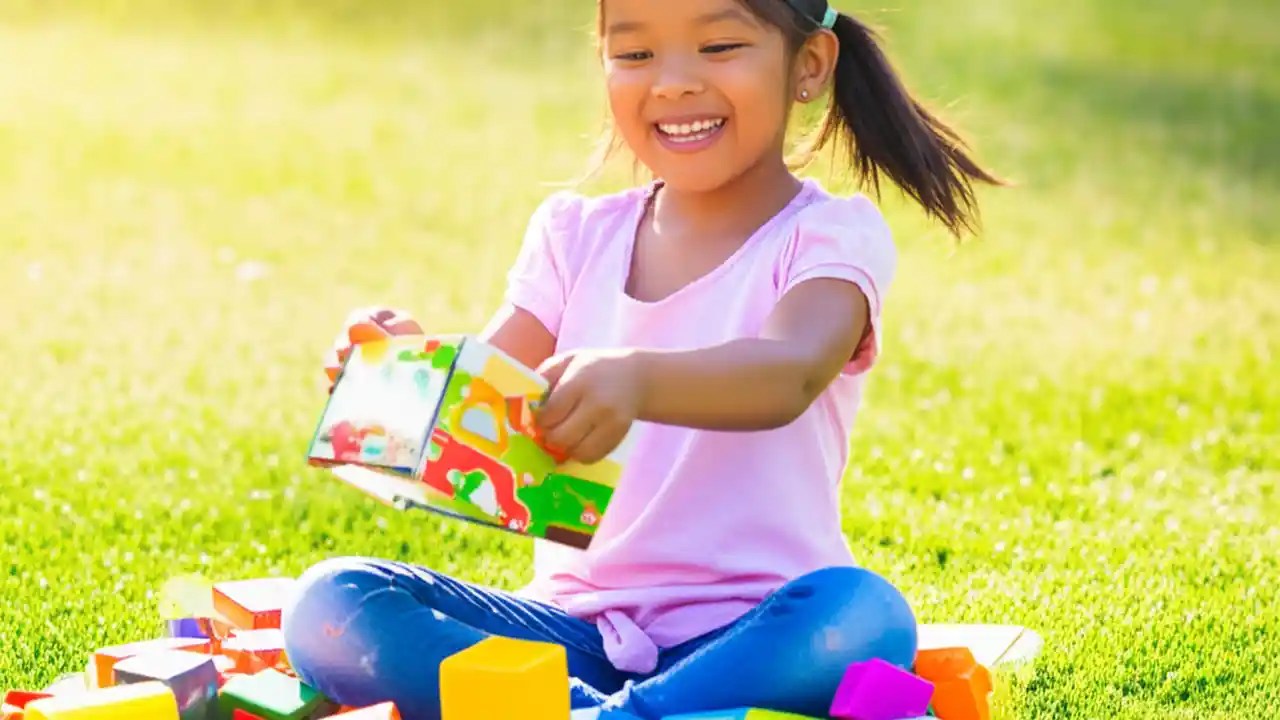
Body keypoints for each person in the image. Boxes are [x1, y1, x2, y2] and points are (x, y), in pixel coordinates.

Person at [282, 0, 1000, 718]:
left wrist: (637, 378)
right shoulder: (574, 236)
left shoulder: (827, 237)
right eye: (635, 55)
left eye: (719, 46)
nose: (673, 83)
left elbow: (791, 371)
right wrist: (405, 371)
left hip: (756, 627)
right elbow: (481, 410)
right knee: (332, 601)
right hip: (576, 629)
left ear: (807, 65)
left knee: (865, 613)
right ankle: (601, 711)